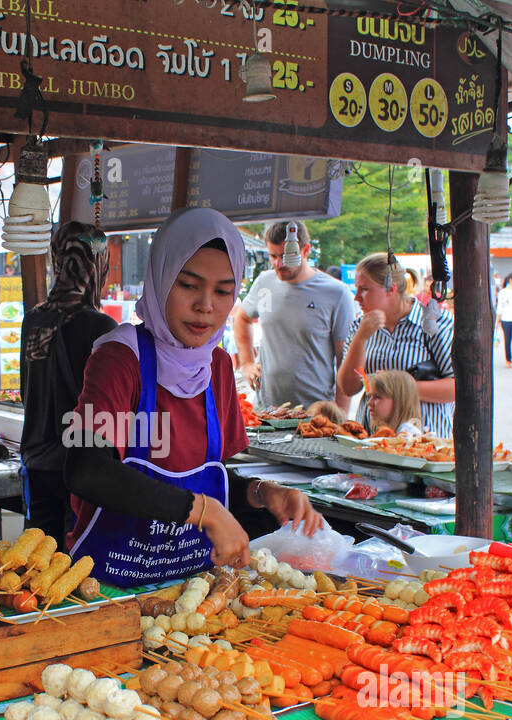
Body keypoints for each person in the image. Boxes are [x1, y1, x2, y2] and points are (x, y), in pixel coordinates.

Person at [66, 207, 324, 582]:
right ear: (161, 278)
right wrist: (205, 511)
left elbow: (207, 482)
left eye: (223, 291)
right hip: (108, 586)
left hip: (191, 592)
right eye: (188, 285)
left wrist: (263, 494)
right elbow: (86, 469)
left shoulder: (216, 367)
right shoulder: (120, 358)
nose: (206, 305)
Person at [20, 222, 117, 546]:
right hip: (80, 467)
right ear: (97, 264)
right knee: (76, 560)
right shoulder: (101, 326)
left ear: (57, 259)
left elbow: (25, 391)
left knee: (38, 559)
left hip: (36, 462)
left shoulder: (34, 318)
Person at [230, 220, 356, 410]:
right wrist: (246, 363)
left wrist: (339, 415)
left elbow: (344, 360)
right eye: (273, 256)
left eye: (286, 256)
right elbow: (242, 318)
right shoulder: (265, 282)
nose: (279, 264)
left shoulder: (336, 293)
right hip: (268, 409)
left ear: (306, 250)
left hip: (315, 412)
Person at [337, 253, 457, 438]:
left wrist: (397, 389)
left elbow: (457, 388)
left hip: (425, 440)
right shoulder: (360, 326)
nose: (357, 298)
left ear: (391, 289)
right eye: (356, 290)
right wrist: (360, 338)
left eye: (364, 289)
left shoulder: (433, 324)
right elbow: (348, 387)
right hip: (371, 439)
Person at [363, 369, 424, 435]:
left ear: (399, 401)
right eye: (370, 396)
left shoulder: (408, 434)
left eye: (377, 397)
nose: (369, 403)